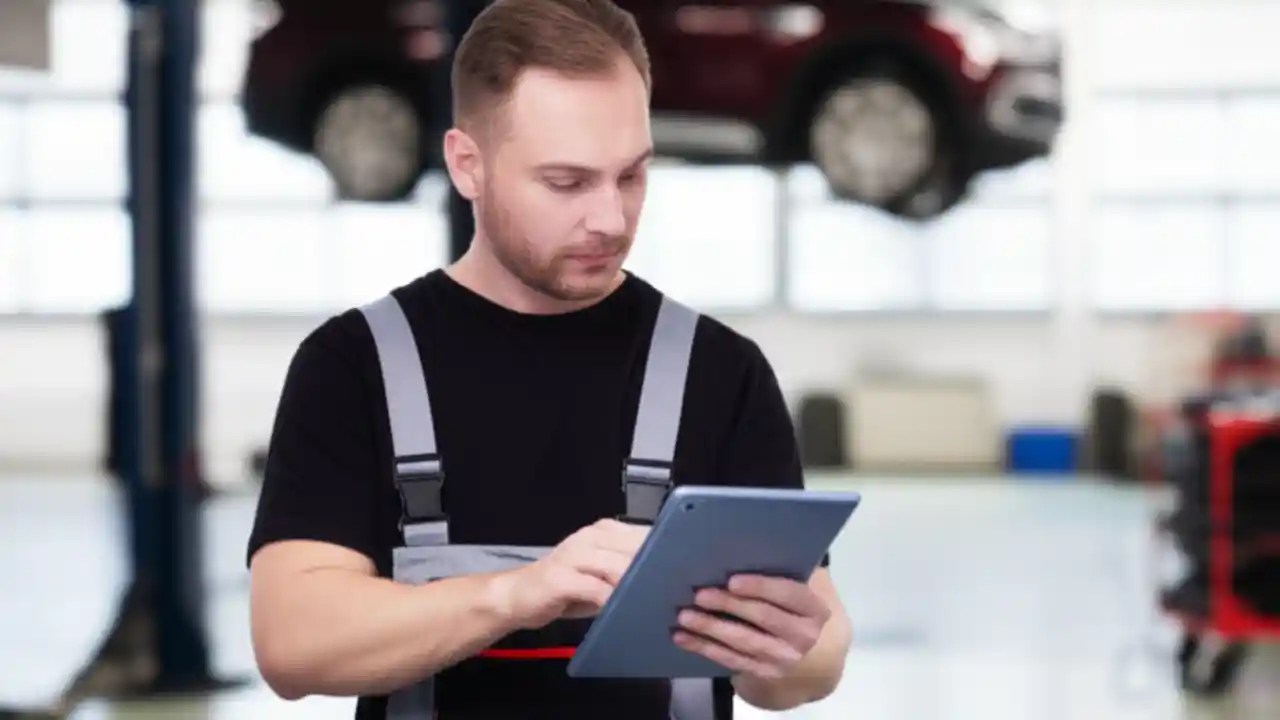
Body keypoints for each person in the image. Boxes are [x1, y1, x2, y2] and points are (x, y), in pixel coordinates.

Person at [245, 1, 852, 718]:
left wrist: (794, 652)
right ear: (467, 165)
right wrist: (517, 594)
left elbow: (812, 653)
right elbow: (292, 644)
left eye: (631, 176)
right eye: (566, 183)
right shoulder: (353, 366)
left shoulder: (719, 372)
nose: (611, 219)